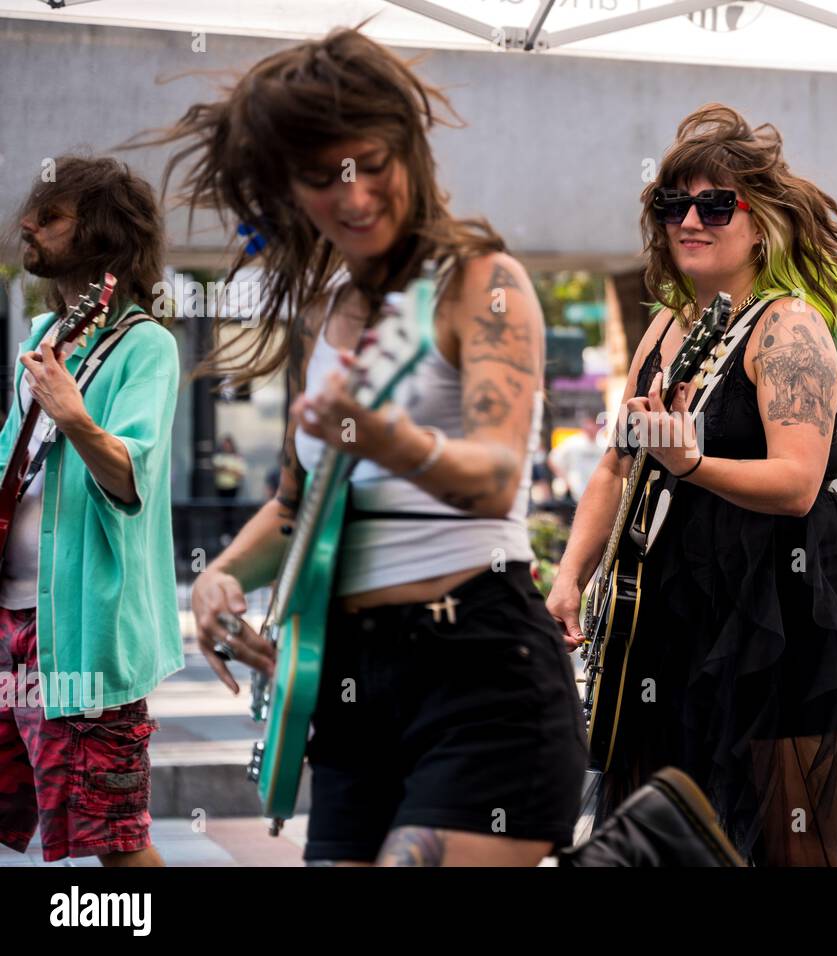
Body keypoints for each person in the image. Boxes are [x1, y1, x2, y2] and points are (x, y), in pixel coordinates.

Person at [151, 29, 588, 866]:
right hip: (350, 686)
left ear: (411, 152)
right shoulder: (327, 313)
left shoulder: (481, 282)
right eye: (322, 178)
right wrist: (217, 577)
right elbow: (297, 506)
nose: (353, 197)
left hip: (480, 671)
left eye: (371, 163)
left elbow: (497, 480)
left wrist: (388, 437)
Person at [546, 103, 837, 867]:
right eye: (672, 204)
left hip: (779, 604)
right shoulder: (664, 327)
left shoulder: (789, 329)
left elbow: (798, 484)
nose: (691, 219)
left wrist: (693, 467)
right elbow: (618, 465)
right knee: (658, 829)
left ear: (761, 221)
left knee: (792, 840)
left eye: (716, 204)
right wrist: (569, 573)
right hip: (669, 603)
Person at [0, 156, 182, 865]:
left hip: (83, 633)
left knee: (115, 841)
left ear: (101, 232)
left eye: (50, 217)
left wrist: (75, 416)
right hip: (14, 624)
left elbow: (132, 476)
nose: (27, 225)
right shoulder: (39, 344)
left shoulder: (148, 348)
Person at [548, 414, 605, 503]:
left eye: (593, 424)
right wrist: (564, 478)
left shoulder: (603, 444)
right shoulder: (573, 442)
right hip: (576, 492)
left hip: (597, 493)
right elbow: (553, 459)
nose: (591, 427)